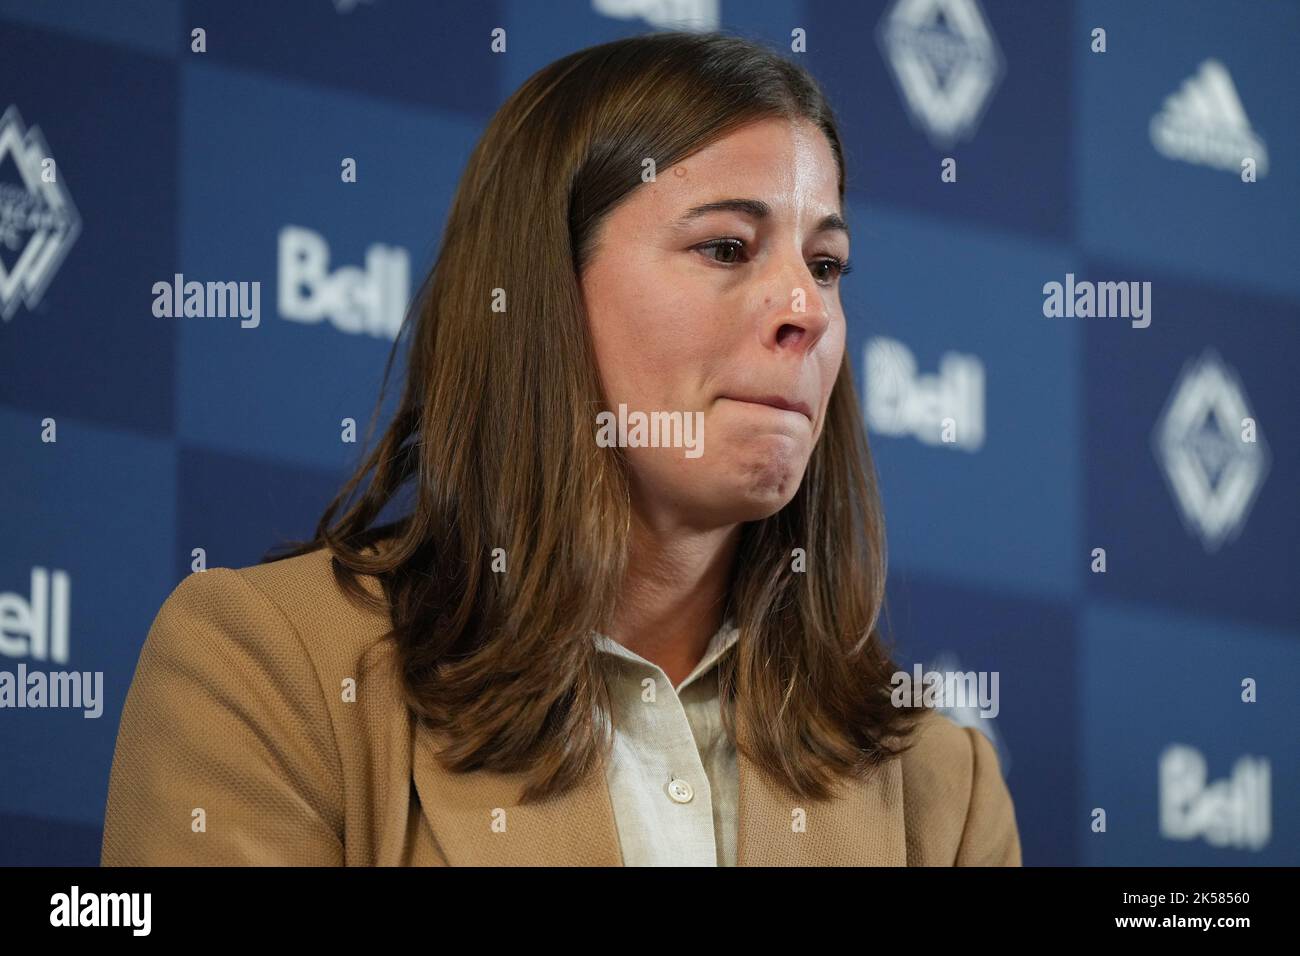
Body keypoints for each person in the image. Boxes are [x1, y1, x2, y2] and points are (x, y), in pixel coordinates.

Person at [101, 30, 1021, 866]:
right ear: (542, 292)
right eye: (728, 248)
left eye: (826, 265)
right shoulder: (267, 670)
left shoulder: (942, 782)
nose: (808, 311)